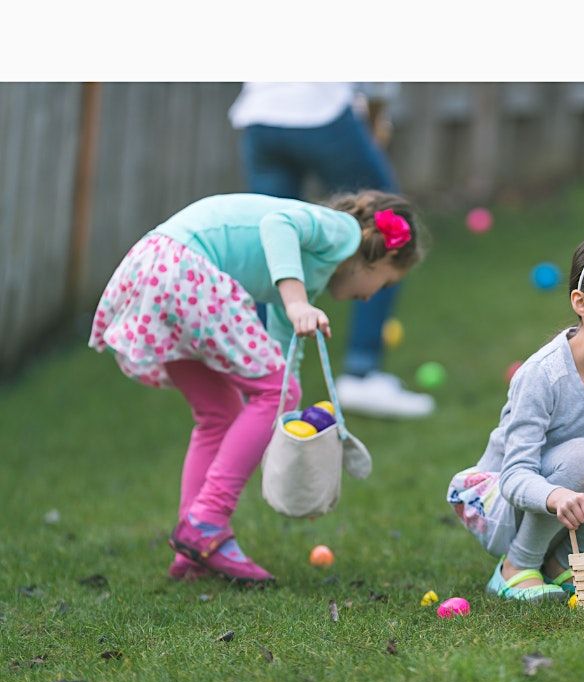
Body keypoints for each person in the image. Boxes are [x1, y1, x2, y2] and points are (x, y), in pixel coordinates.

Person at [89, 190, 425, 584]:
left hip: (159, 268)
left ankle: (192, 550)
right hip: (186, 270)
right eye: (384, 284)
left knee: (221, 414)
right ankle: (208, 520)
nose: (370, 298)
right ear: (380, 255)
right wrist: (297, 303)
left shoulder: (303, 276)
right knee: (271, 394)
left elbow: (283, 368)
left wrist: (287, 446)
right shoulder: (342, 231)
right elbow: (278, 224)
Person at [446, 234, 584, 602]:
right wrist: (555, 495)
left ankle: (560, 564)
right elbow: (514, 476)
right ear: (582, 302)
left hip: (574, 497)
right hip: (504, 506)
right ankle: (516, 566)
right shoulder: (544, 374)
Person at [228, 81, 434, 419]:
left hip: (260, 115)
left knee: (270, 245)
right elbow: (379, 85)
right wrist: (373, 123)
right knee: (389, 222)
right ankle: (361, 372)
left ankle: (258, 380)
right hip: (320, 109)